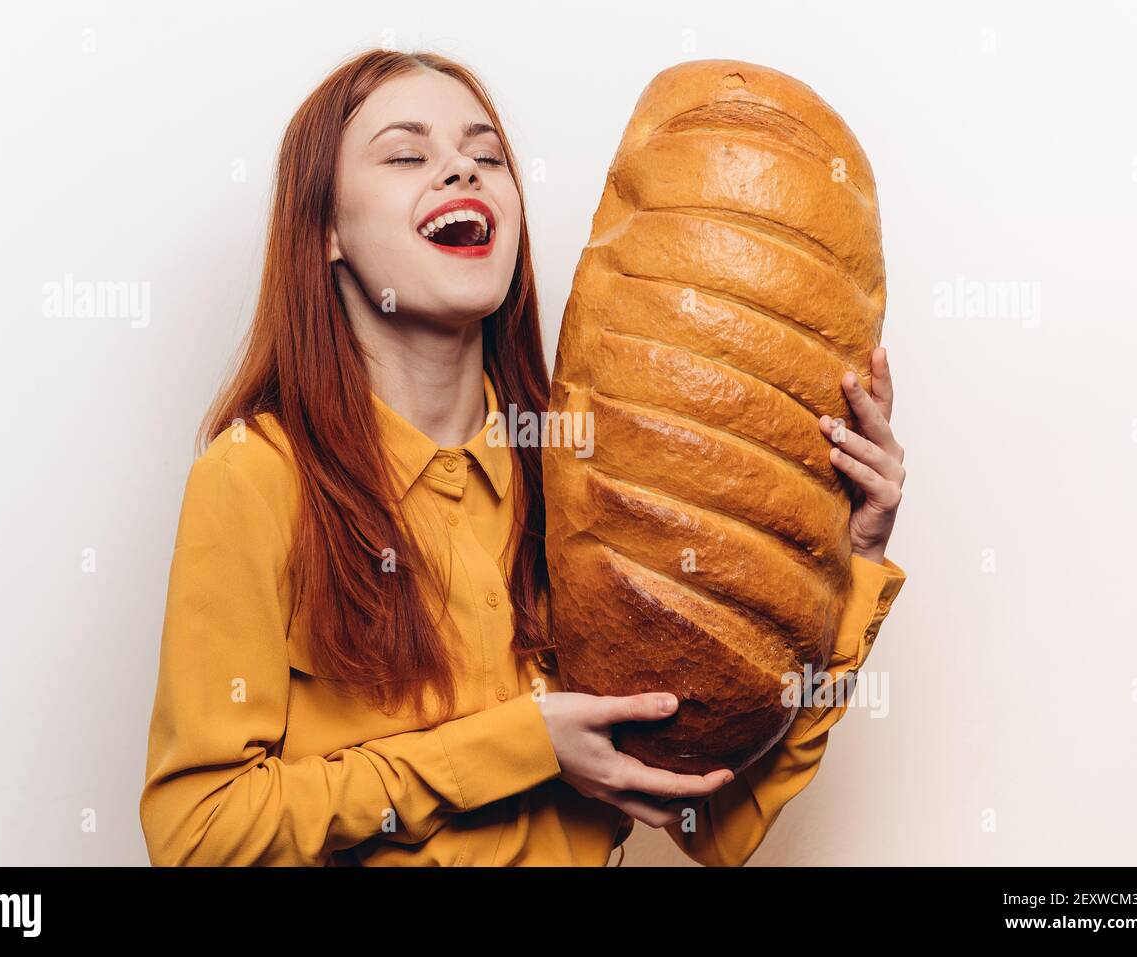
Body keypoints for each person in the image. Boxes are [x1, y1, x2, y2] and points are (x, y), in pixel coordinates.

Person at [138, 48, 907, 867]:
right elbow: (198, 833)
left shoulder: (584, 470)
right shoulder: (258, 477)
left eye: (487, 155)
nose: (459, 171)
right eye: (407, 155)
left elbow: (713, 826)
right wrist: (520, 746)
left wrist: (850, 562)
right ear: (324, 228)